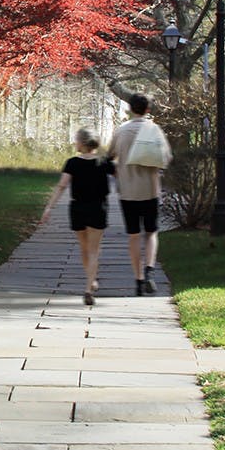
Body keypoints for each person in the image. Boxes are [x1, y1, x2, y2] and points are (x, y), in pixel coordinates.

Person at [108, 94, 172, 295]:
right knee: (151, 232)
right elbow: (166, 157)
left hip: (127, 192)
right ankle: (150, 270)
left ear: (130, 109)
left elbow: (109, 157)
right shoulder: (154, 130)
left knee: (134, 235)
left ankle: (138, 279)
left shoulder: (121, 131)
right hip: (150, 190)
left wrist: (117, 171)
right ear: (148, 110)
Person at [50, 128, 114, 305]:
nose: (74, 142)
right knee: (94, 249)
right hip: (98, 208)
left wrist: (49, 207)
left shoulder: (72, 163)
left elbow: (62, 186)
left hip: (78, 208)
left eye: (76, 140)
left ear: (83, 143)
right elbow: (120, 175)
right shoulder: (103, 161)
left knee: (84, 248)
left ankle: (91, 281)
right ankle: (88, 286)